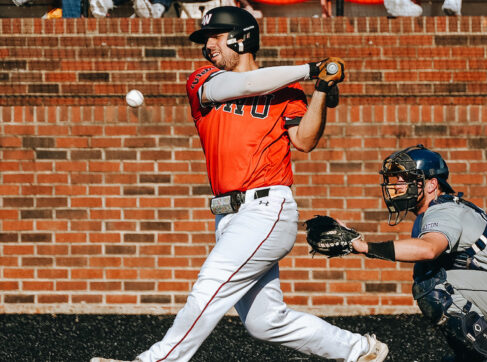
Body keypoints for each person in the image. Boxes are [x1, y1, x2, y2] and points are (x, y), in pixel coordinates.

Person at [91, 6, 388, 362]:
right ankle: (362, 351)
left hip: (267, 206)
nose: (208, 46)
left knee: (211, 284)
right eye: (205, 39)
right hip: (229, 215)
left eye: (215, 37)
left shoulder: (288, 90)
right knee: (265, 322)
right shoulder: (203, 80)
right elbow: (247, 83)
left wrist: (322, 89)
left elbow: (305, 141)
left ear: (241, 37)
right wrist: (313, 70)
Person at [350, 145, 487, 362]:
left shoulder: (443, 211)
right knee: (427, 275)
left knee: (432, 286)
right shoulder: (436, 212)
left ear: (431, 184)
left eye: (405, 178)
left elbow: (428, 249)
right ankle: (471, 356)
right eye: (395, 179)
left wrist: (366, 247)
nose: (396, 185)